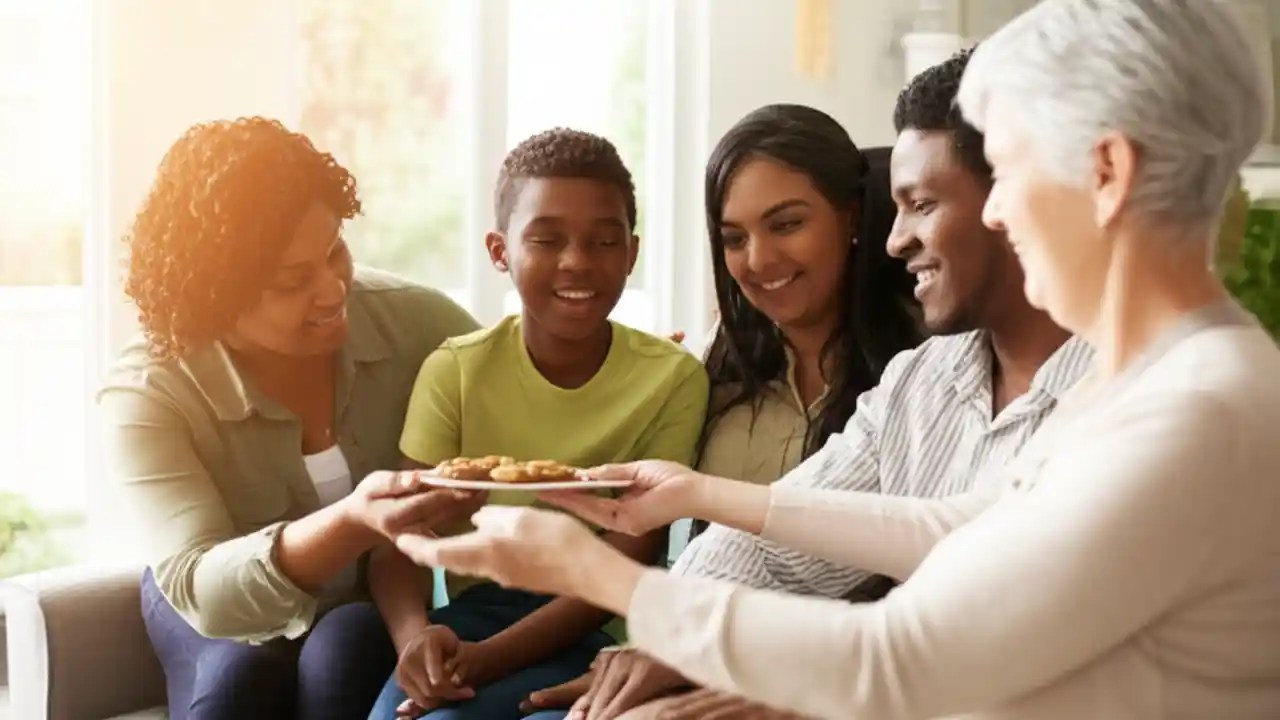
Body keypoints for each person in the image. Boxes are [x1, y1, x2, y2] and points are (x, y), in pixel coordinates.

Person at [396, 1, 1280, 717]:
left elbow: (901, 662)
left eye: (1006, 174)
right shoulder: (1157, 384)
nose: (1001, 216)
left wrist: (592, 570)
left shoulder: (1197, 412)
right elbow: (957, 525)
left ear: (1107, 172)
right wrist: (699, 494)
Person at [534, 46, 1092, 720]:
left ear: (1015, 199)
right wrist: (681, 638)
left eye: (920, 205)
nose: (897, 241)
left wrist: (797, 693)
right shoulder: (921, 381)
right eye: (734, 236)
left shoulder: (1134, 395)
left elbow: (1032, 635)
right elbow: (777, 543)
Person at [516, 103, 924, 720]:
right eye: (734, 238)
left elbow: (922, 588)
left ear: (851, 217)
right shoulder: (714, 361)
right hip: (692, 647)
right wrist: (653, 650)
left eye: (786, 225)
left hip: (832, 675)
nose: (757, 261)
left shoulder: (925, 371)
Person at [98, 118, 484, 720]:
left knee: (347, 649)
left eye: (334, 251)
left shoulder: (421, 326)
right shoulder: (149, 392)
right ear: (213, 299)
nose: (332, 290)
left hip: (364, 602)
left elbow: (524, 385)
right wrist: (353, 521)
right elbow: (205, 590)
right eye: (292, 281)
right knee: (236, 679)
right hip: (209, 608)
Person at [365, 128, 709, 720]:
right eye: (546, 239)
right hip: (474, 620)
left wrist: (486, 661)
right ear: (500, 252)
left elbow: (630, 556)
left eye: (603, 240)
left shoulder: (672, 380)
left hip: (597, 633)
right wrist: (415, 640)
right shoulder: (456, 371)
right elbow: (395, 543)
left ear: (631, 251)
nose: (576, 261)